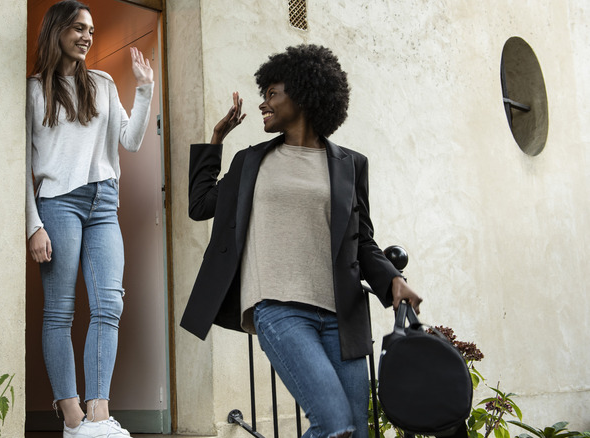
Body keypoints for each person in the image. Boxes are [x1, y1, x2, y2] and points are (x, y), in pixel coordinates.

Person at [180, 44, 422, 438]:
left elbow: (362, 240)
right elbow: (200, 204)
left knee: (357, 431)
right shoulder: (252, 162)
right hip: (278, 308)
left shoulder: (350, 165)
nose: (263, 103)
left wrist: (392, 279)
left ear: (305, 96)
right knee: (334, 424)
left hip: (340, 313)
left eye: (272, 93)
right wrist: (217, 139)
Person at [25, 1, 154, 437]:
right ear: (57, 29)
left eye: (92, 30)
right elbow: (20, 164)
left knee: (109, 304)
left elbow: (131, 141)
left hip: (103, 202)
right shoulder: (34, 90)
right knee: (60, 311)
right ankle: (72, 416)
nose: (87, 36)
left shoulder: (101, 82)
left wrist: (144, 88)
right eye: (79, 28)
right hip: (57, 203)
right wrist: (33, 224)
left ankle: (99, 414)